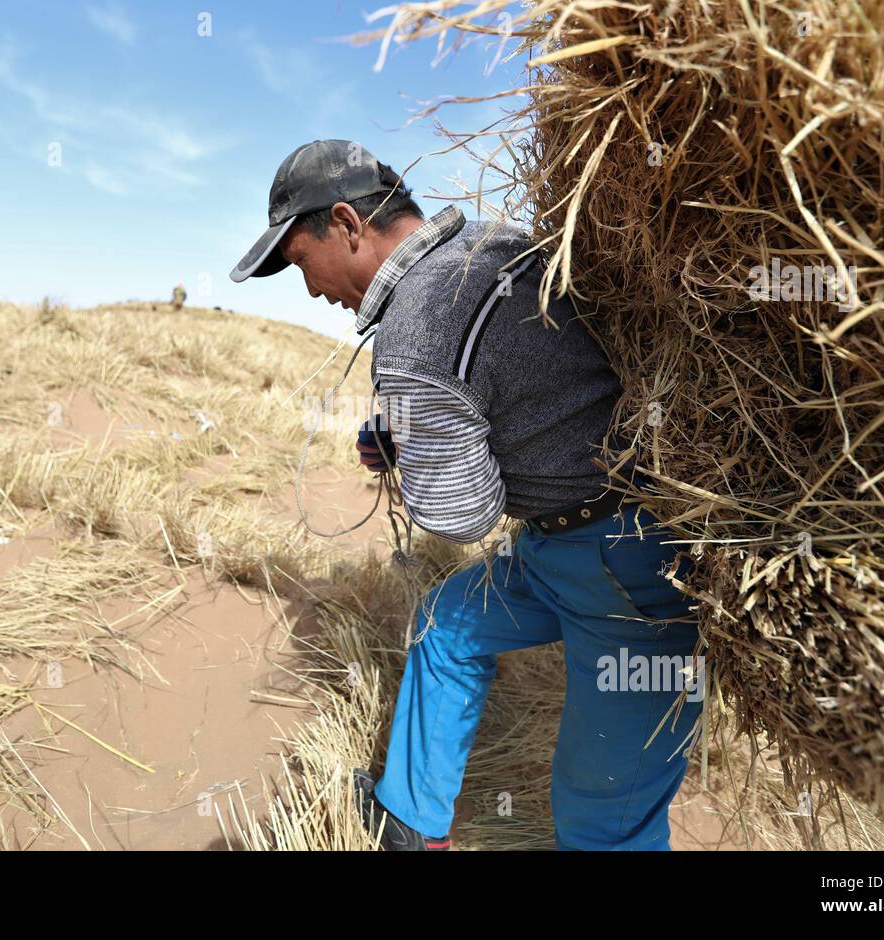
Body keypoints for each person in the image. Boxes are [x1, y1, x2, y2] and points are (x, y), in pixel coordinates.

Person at [229, 139, 703, 851]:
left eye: (300, 261)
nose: (311, 290)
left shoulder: (416, 329)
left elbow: (462, 516)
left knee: (601, 816)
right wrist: (416, 434)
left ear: (348, 224)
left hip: (629, 567)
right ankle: (414, 824)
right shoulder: (491, 240)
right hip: (562, 544)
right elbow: (525, 385)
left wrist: (419, 453)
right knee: (446, 623)